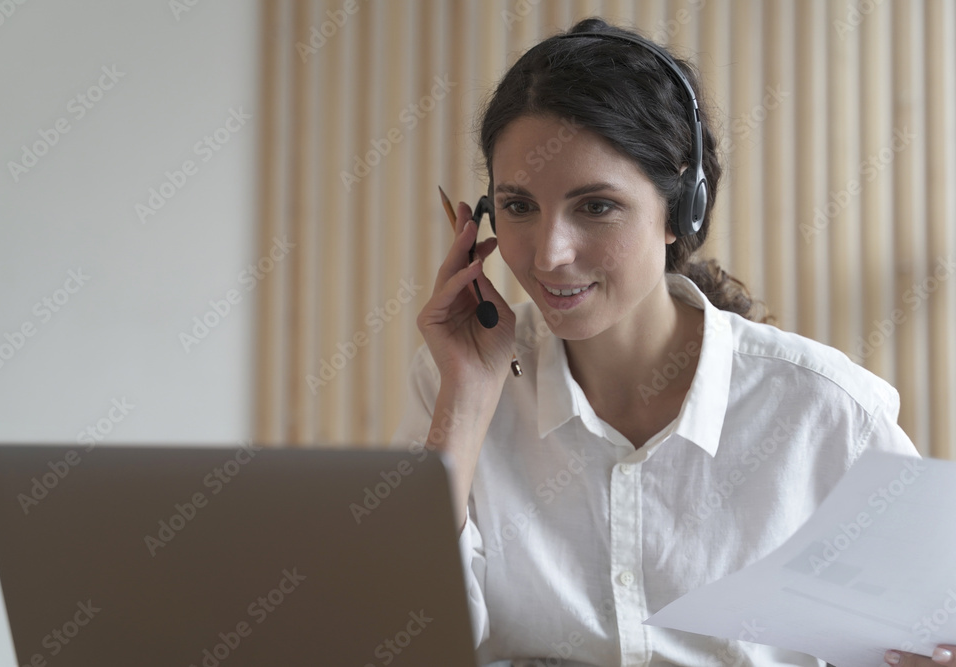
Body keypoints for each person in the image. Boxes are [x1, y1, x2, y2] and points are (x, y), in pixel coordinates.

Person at [392, 17, 950, 667]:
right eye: (519, 206)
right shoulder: (455, 380)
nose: (549, 253)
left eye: (595, 206)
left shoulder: (828, 412)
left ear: (682, 207)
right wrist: (464, 403)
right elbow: (405, 638)